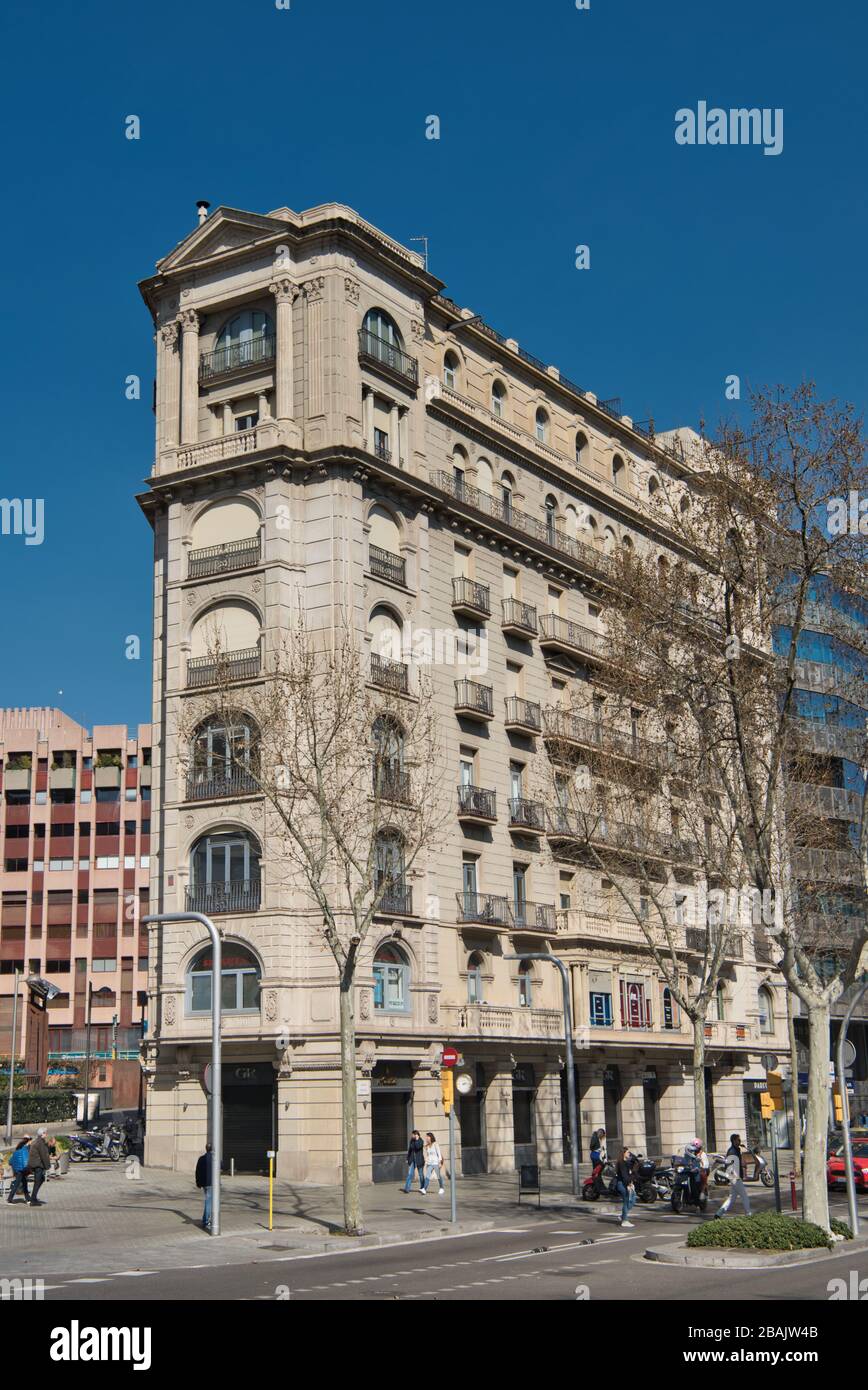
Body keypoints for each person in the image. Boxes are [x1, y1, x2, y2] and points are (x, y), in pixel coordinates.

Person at [716, 1133, 751, 1218]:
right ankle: (748, 1214)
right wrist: (735, 1176)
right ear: (734, 1141)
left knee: (732, 1198)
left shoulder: (736, 1150)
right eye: (738, 1140)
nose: (740, 1141)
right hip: (735, 1177)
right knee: (744, 1196)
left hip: (735, 1177)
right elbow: (729, 1165)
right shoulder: (732, 1151)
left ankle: (719, 1214)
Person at [26, 1128, 53, 1206]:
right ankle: (33, 1200)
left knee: (40, 1180)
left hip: (36, 1164)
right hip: (37, 1165)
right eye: (45, 1133)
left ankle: (33, 1198)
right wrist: (48, 1166)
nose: (46, 1134)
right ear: (42, 1134)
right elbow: (43, 1155)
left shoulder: (39, 1141)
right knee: (38, 1181)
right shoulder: (40, 1142)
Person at [614, 1145, 637, 1228]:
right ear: (623, 1153)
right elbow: (624, 1176)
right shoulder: (622, 1163)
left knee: (633, 1198)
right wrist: (628, 1184)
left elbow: (629, 1174)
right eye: (627, 1152)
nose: (629, 1154)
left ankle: (623, 1215)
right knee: (627, 1200)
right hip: (622, 1184)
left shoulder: (626, 1162)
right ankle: (624, 1220)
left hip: (625, 1183)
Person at [6, 1136, 32, 1204]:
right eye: (29, 1142)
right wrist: (29, 1169)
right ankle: (9, 1199)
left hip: (18, 1170)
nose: (30, 1143)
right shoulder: (25, 1150)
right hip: (22, 1170)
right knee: (17, 1185)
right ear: (27, 1142)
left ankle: (28, 1199)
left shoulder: (17, 1150)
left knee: (24, 1184)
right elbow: (26, 1161)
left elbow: (10, 1161)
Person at [195, 1142, 214, 1230]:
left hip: (204, 1184)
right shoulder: (214, 1158)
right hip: (212, 1183)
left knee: (208, 1200)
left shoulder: (201, 1159)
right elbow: (222, 1166)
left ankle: (205, 1219)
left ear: (206, 1149)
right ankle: (206, 1221)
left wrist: (198, 1183)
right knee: (209, 1202)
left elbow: (197, 1172)